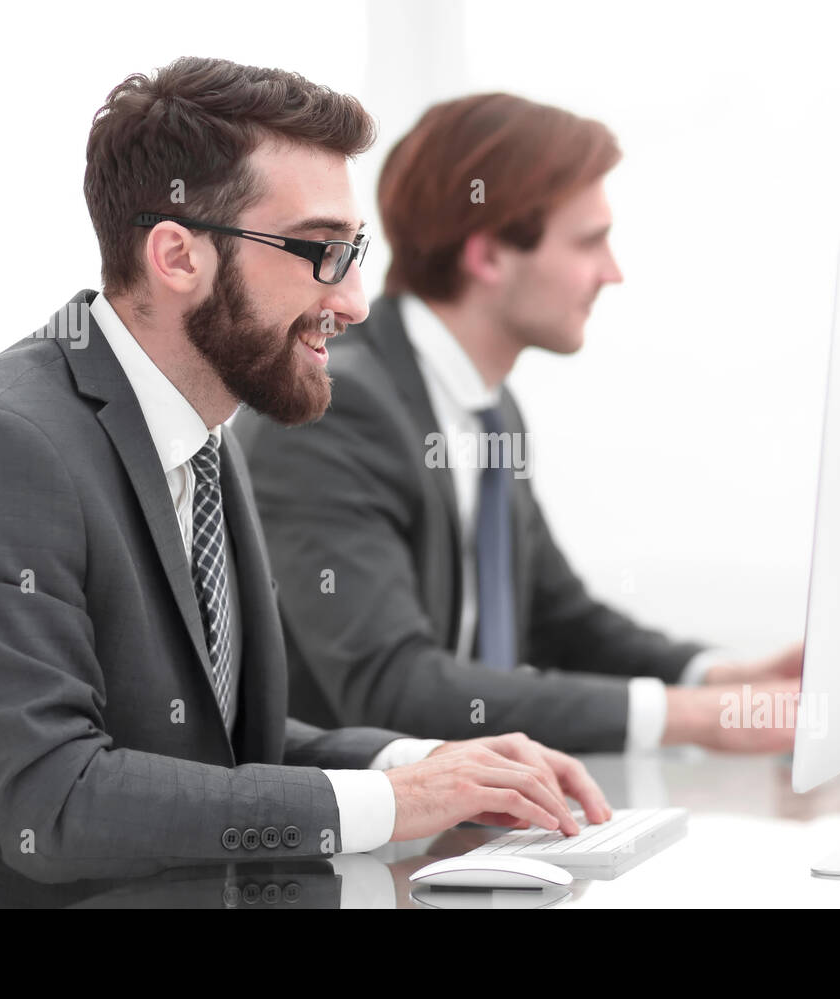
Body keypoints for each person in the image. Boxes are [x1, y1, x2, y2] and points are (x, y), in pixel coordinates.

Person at [0, 60, 608, 909]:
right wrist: (393, 803)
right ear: (177, 256)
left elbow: (207, 742)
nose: (353, 300)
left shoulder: (203, 432)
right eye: (322, 252)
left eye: (354, 252)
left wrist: (417, 762)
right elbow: (54, 800)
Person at [234, 93, 804, 754]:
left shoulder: (490, 409)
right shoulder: (332, 409)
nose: (612, 273)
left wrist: (724, 677)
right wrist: (699, 718)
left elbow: (560, 619)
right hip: (345, 839)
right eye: (590, 241)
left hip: (465, 823)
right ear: (489, 256)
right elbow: (394, 686)